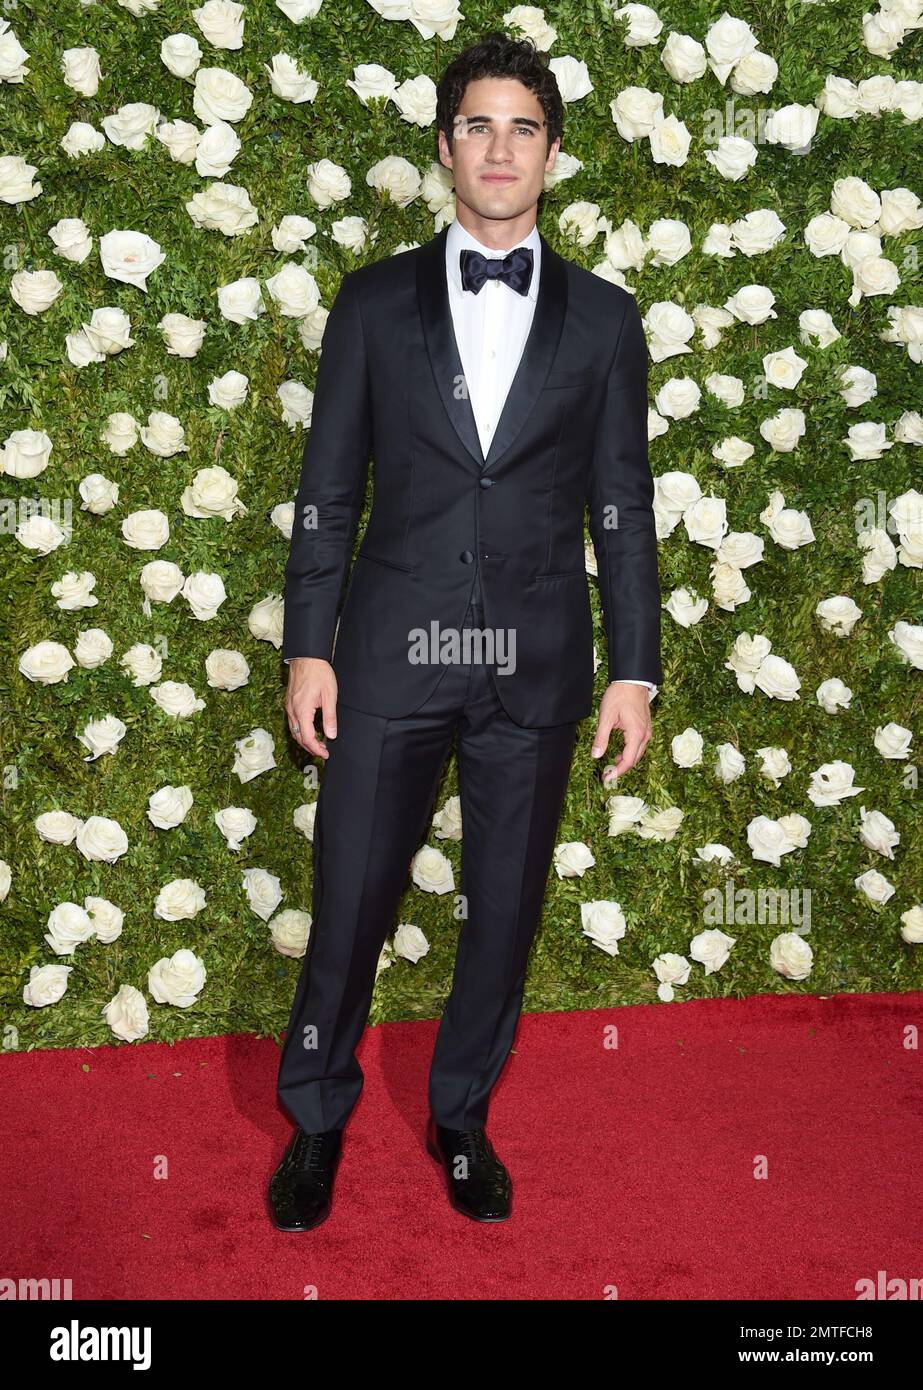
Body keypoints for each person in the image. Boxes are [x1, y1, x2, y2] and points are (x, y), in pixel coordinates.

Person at [269, 30, 662, 1231]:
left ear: (552, 155)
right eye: (478, 126)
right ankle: (318, 1116)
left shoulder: (602, 319)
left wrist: (634, 667)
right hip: (390, 655)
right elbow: (329, 484)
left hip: (535, 665)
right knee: (349, 899)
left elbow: (621, 505)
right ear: (445, 151)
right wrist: (307, 642)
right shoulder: (374, 302)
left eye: (522, 128)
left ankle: (460, 1115)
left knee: (505, 902)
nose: (500, 148)